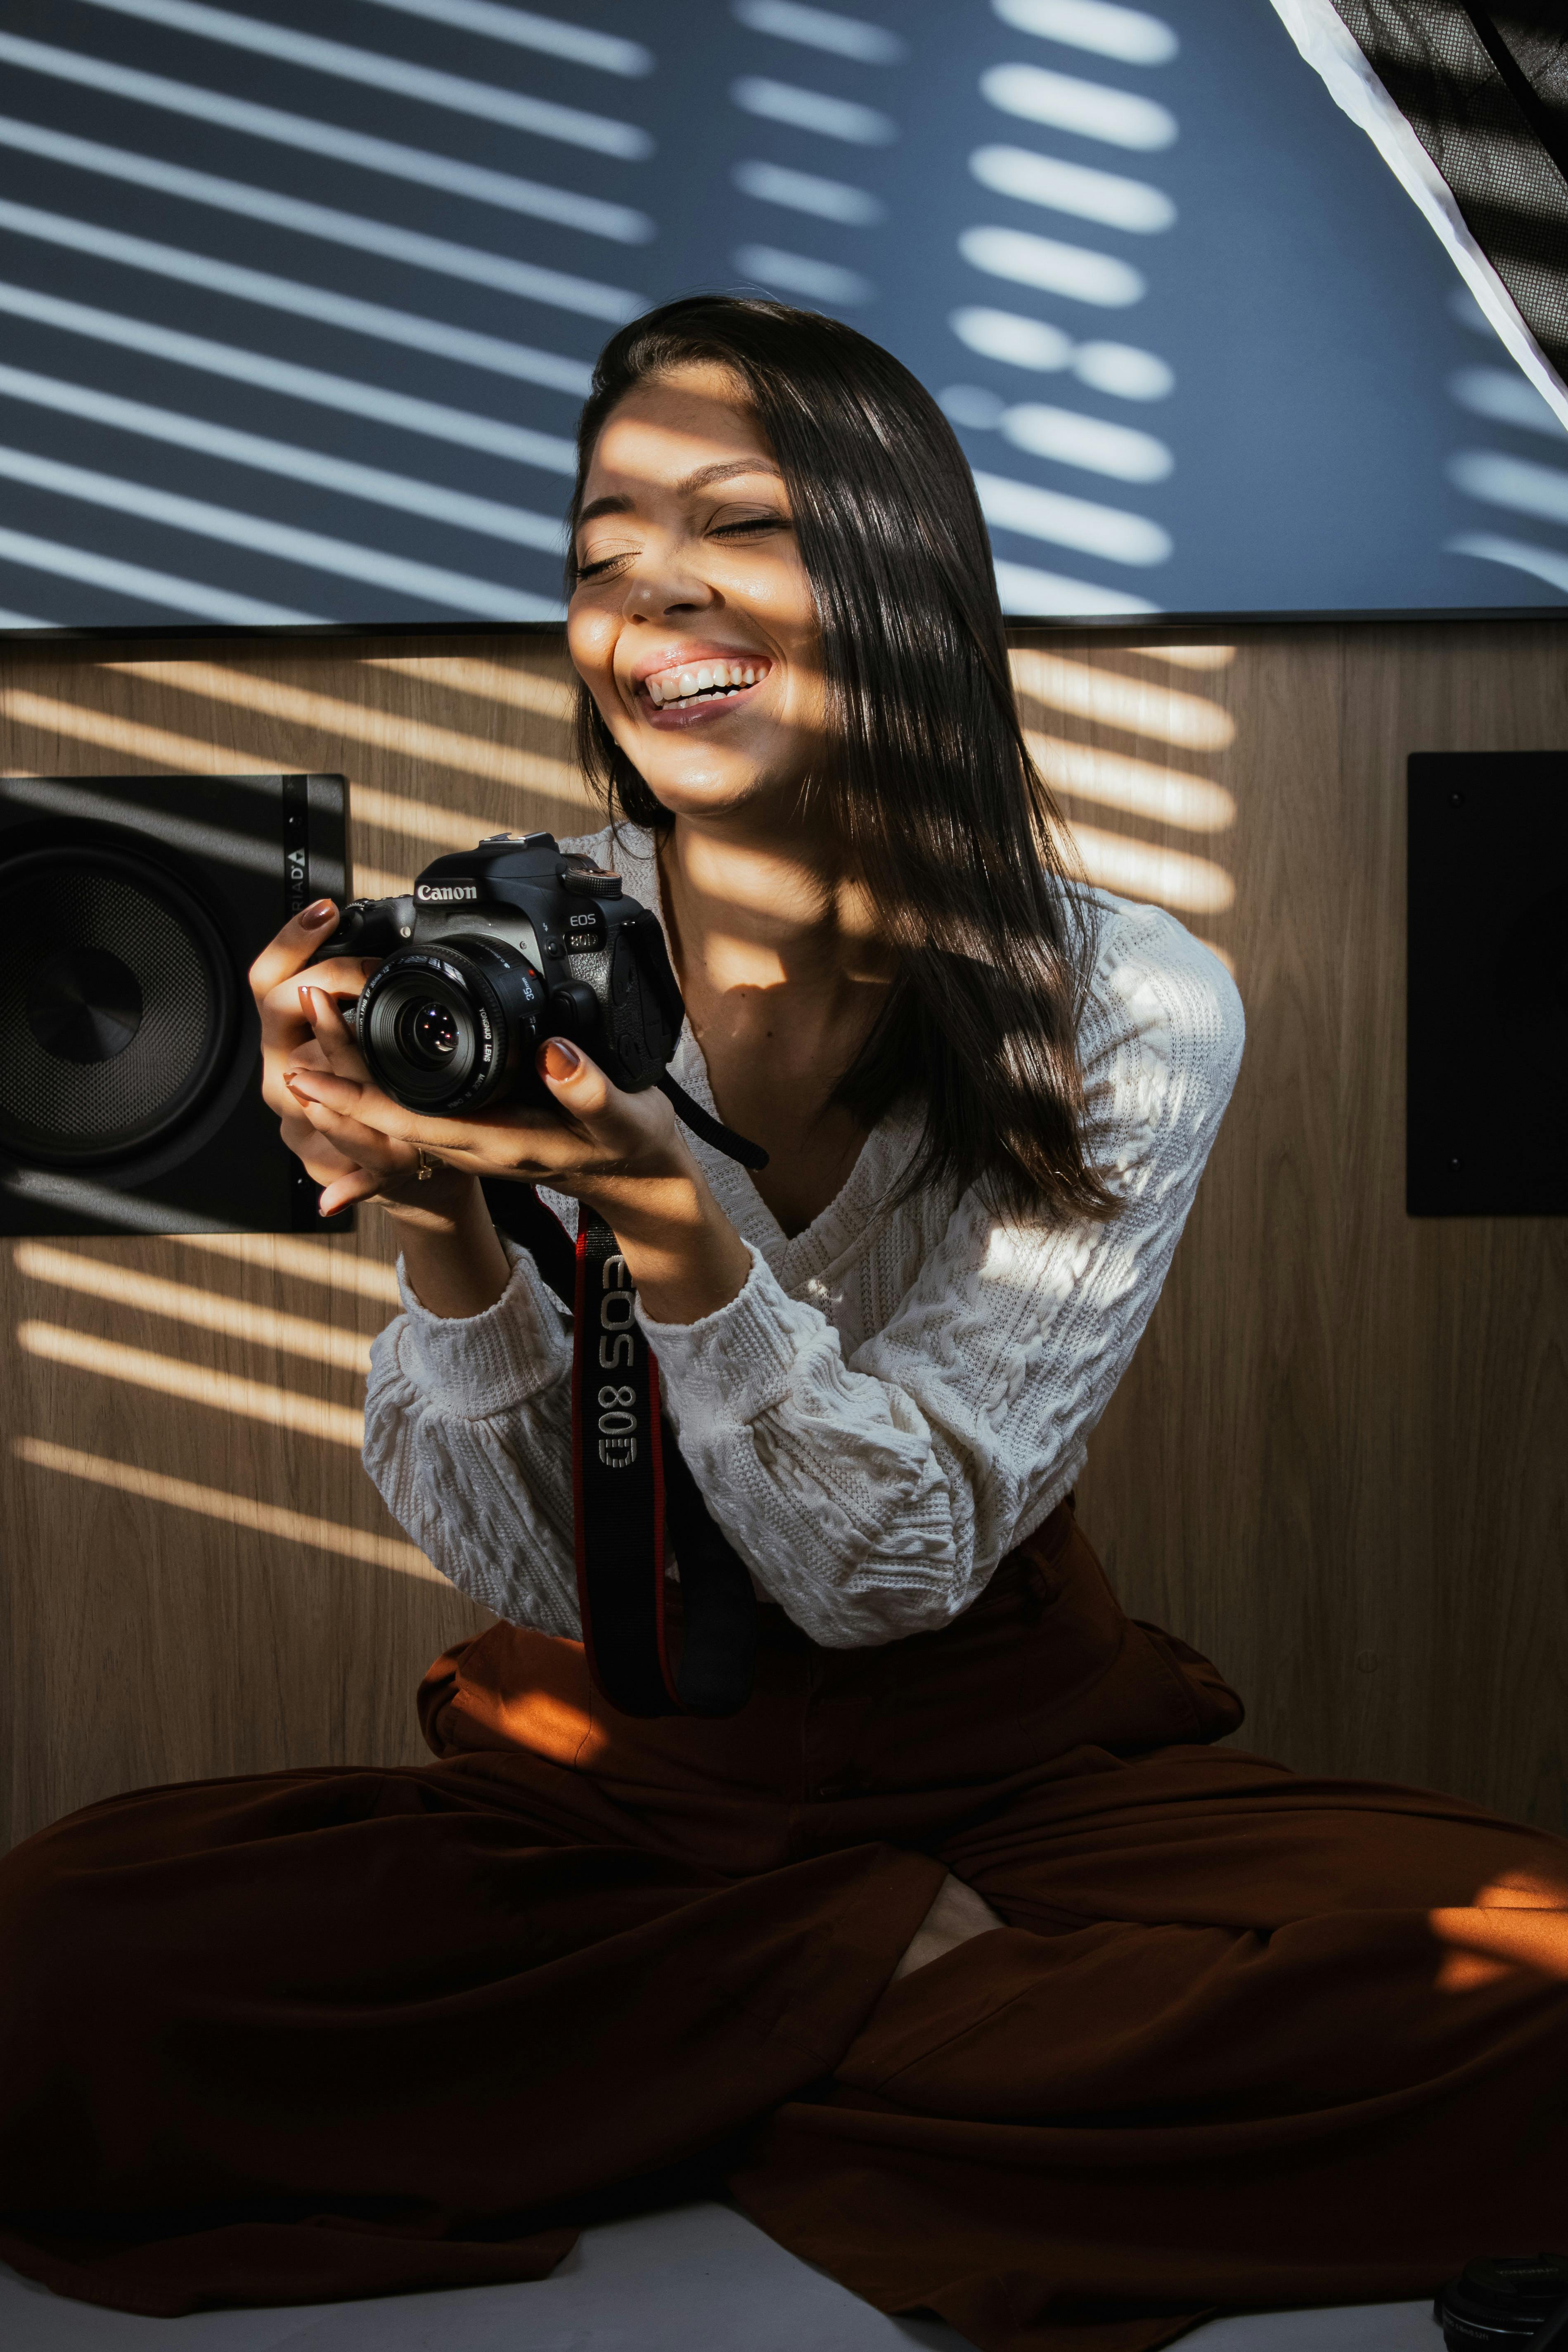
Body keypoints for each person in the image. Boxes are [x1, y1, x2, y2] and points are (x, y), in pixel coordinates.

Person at [1, 299, 1566, 2352]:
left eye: (731, 524)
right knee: (39, 1979)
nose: (649, 594)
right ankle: (915, 2010)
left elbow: (885, 1571)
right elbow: (541, 1574)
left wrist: (672, 1221)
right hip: (616, 1776)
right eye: (596, 550)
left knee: (1529, 1980)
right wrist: (445, 1229)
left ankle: (697, 2040)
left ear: (898, 578)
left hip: (1005, 1752)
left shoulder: (1124, 1007)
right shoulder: (501, 950)